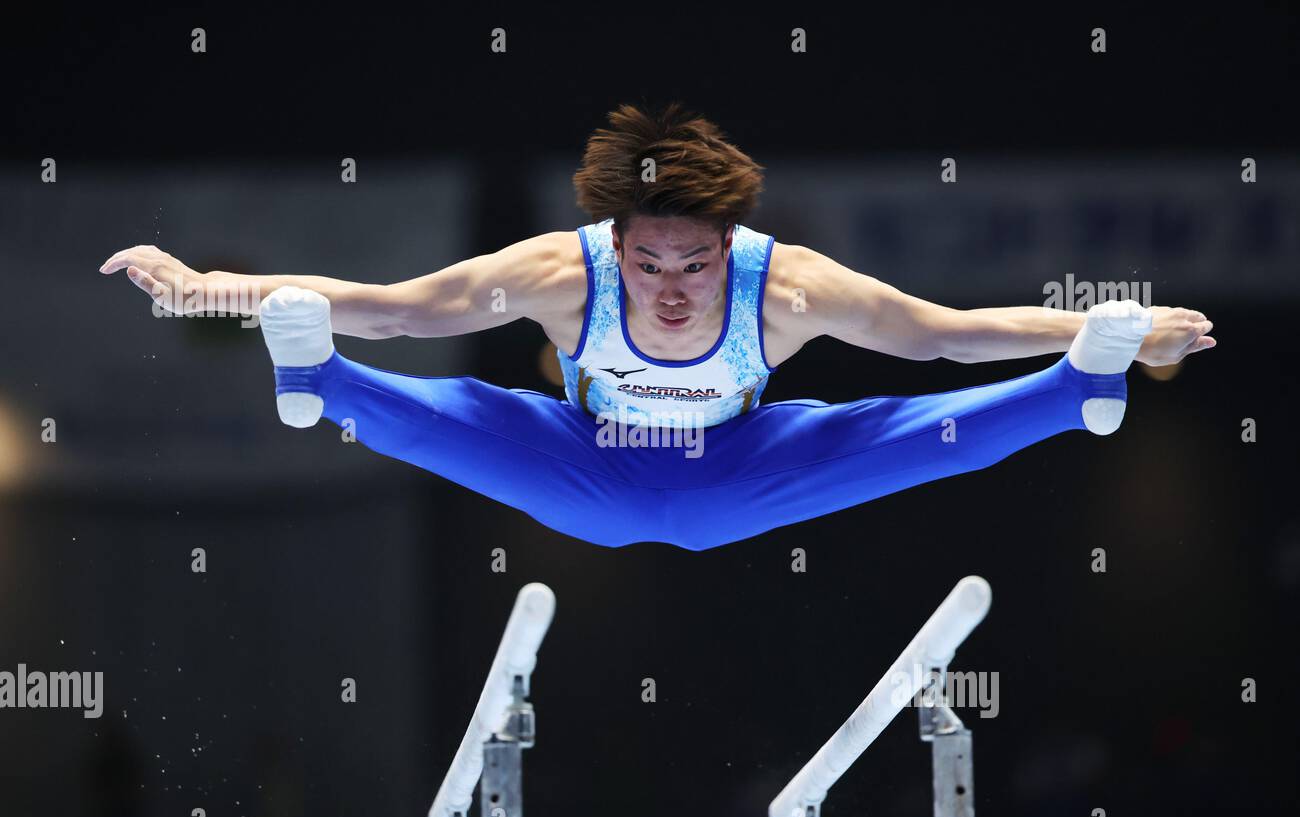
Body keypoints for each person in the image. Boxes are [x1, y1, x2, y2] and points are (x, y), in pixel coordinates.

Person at [100, 104, 1216, 550]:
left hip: (740, 464)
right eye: (647, 264)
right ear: (611, 245)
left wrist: (1108, 322)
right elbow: (396, 311)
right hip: (587, 458)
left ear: (728, 247)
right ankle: (317, 380)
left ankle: (1082, 385)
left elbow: (941, 334)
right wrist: (208, 290)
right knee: (458, 411)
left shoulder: (788, 288)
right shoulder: (555, 271)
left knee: (897, 426)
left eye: (694, 264)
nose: (673, 288)